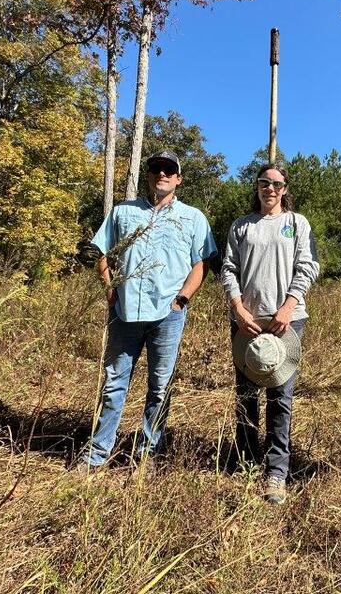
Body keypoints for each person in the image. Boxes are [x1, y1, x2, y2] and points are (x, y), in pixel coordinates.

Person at [79, 150, 217, 471]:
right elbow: (102, 252)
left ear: (179, 178)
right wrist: (109, 288)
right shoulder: (123, 212)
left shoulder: (193, 218)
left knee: (160, 386)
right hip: (125, 312)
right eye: (156, 168)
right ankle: (96, 454)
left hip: (168, 315)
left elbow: (201, 263)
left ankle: (147, 454)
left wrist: (181, 299)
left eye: (169, 169)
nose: (162, 174)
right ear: (149, 175)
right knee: (114, 384)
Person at [221, 164, 320, 504]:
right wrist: (238, 307)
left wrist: (289, 306)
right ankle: (246, 461)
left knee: (280, 397)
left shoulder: (297, 223)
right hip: (247, 321)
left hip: (286, 321)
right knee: (246, 394)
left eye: (277, 183)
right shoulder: (241, 226)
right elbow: (229, 269)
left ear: (285, 189)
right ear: (257, 186)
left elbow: (308, 266)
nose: (270, 188)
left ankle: (276, 471)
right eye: (264, 182)